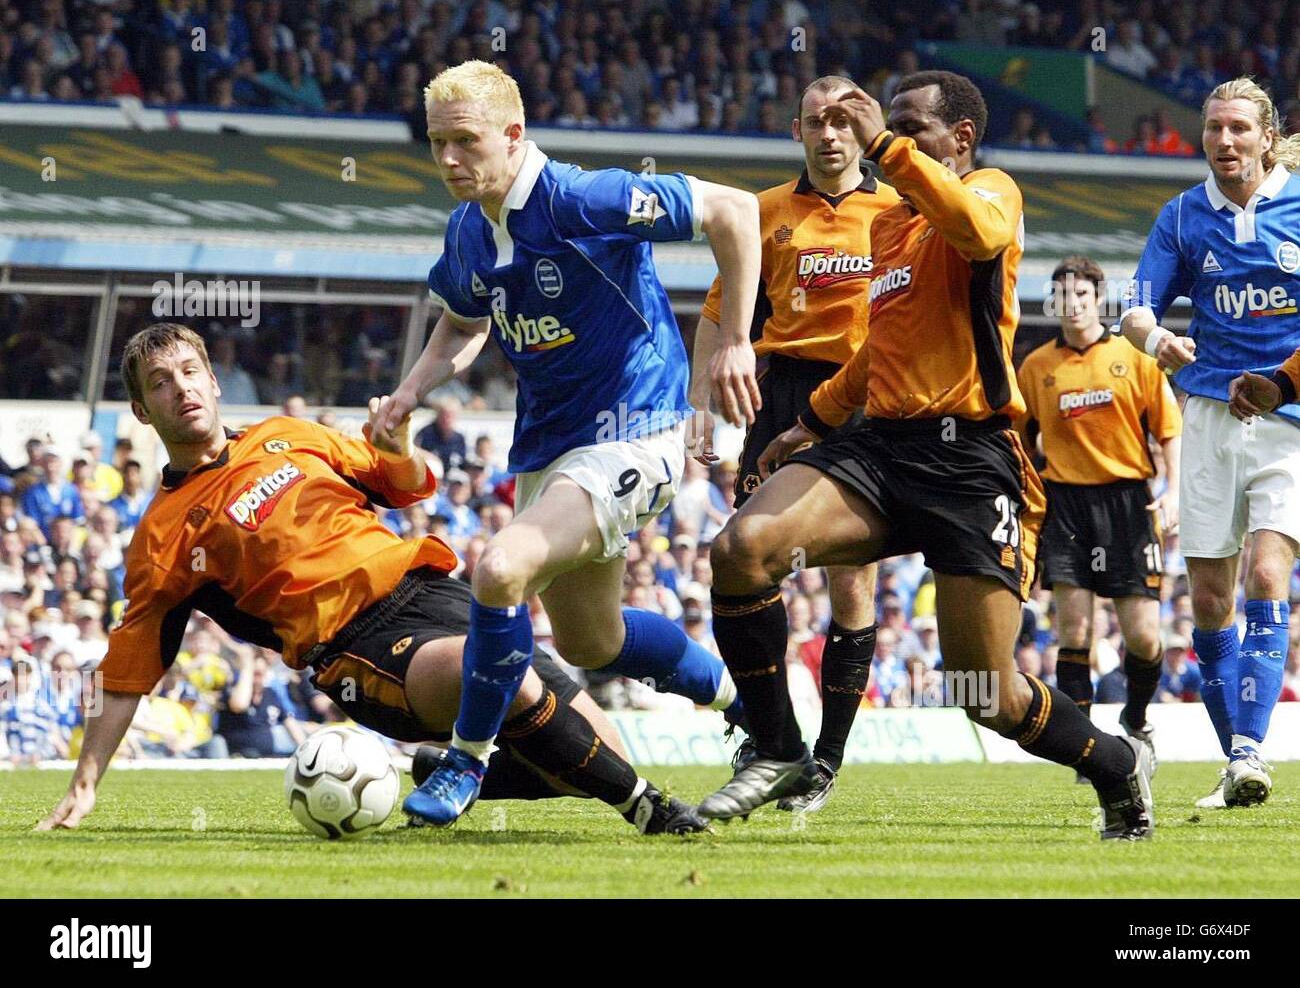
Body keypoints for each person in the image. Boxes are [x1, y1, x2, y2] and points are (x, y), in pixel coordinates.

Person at [694, 72, 1156, 840]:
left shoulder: (994, 191)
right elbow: (882, 350)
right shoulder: (890, 229)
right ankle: (777, 748)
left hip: (972, 462)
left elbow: (979, 233)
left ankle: (1113, 764)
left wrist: (882, 141)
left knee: (985, 694)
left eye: (909, 128)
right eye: (891, 131)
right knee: (742, 548)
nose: (890, 144)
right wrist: (808, 421)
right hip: (880, 450)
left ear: (960, 140)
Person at [37, 324, 703, 836]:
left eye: (189, 371)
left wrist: (401, 445)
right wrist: (86, 782)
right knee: (504, 677)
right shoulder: (163, 532)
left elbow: (406, 487)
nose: (180, 387)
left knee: (589, 756)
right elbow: (128, 668)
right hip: (357, 645)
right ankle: (647, 808)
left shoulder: (289, 433)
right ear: (140, 408)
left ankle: (434, 771)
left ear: (213, 382)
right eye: (159, 382)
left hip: (437, 592)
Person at [375, 59, 762, 827]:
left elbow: (737, 212)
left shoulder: (585, 199)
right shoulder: (467, 231)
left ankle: (465, 760)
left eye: (466, 141)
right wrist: (414, 389)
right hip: (549, 449)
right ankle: (745, 701)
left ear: (514, 136)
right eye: (436, 144)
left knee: (501, 567)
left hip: (637, 434)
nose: (449, 160)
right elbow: (463, 318)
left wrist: (737, 342)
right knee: (593, 642)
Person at [690, 74, 900, 812]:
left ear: (861, 129)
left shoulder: (899, 207)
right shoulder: (763, 213)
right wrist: (699, 410)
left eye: (844, 121)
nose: (831, 134)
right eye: (817, 121)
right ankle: (771, 737)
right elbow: (719, 315)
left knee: (850, 580)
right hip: (779, 398)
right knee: (749, 565)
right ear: (798, 131)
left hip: (867, 398)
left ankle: (826, 759)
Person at [1119, 76, 1300, 809]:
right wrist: (1158, 337)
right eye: (1214, 129)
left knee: (1264, 573)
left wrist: (1282, 384)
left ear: (1265, 136)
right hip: (1206, 418)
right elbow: (1136, 304)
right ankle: (1239, 762)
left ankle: (1252, 749)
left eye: (1238, 129)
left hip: (1287, 420)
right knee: (1211, 600)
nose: (1224, 141)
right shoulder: (1184, 215)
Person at [1016, 255, 1182, 782]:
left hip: (1128, 503)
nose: (1072, 305)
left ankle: (1135, 719)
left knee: (1143, 637)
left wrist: (1173, 490)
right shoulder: (1037, 366)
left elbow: (1168, 430)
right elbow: (1020, 438)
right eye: (1062, 296)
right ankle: (1085, 748)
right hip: (1066, 505)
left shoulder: (1133, 360)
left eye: (1082, 296)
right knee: (1075, 630)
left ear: (1098, 300)